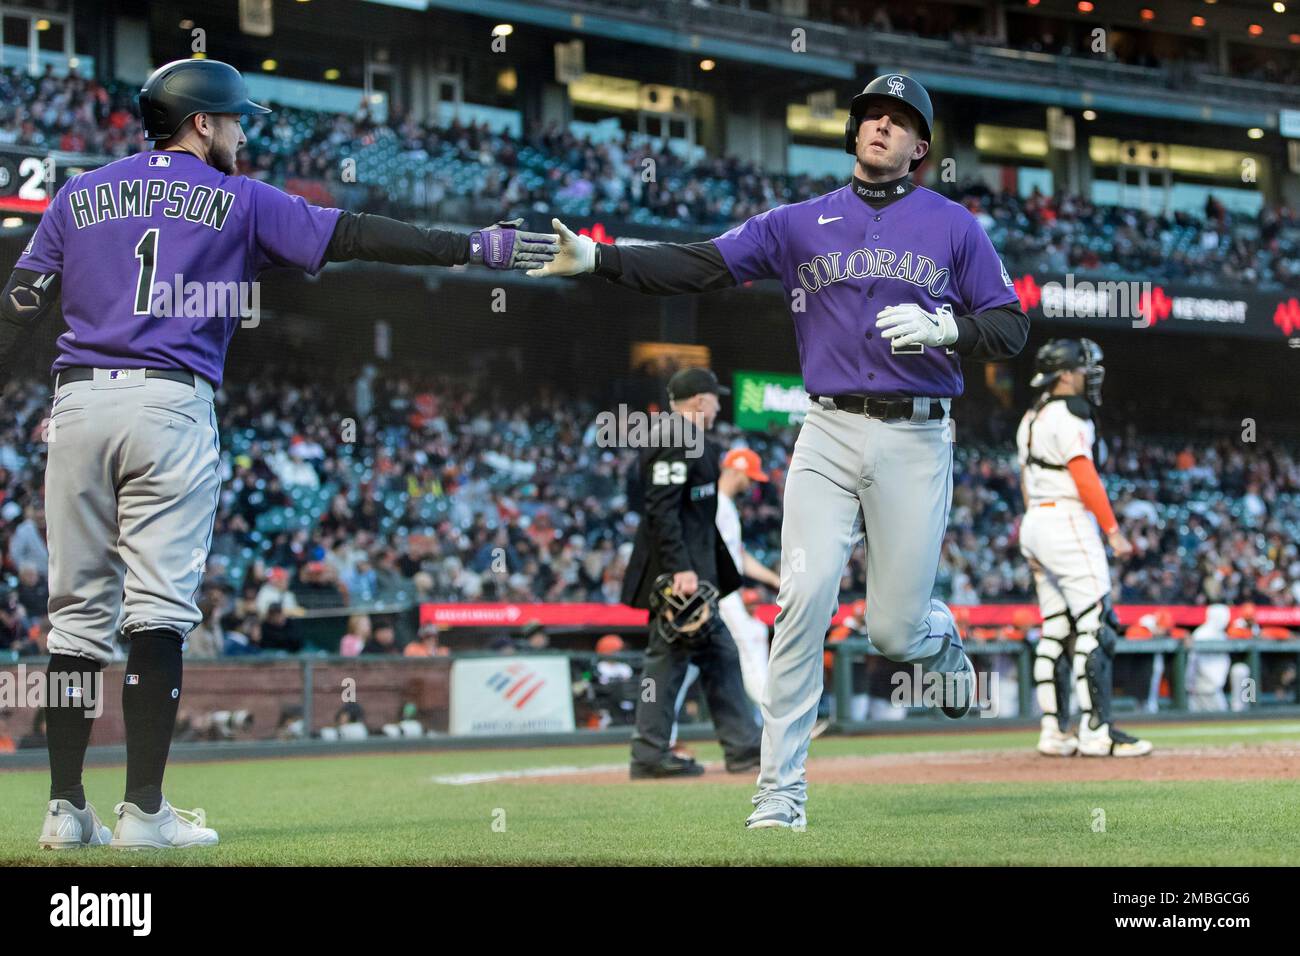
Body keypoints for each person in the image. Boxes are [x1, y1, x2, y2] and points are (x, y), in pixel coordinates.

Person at [0, 58, 557, 851]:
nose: (240, 131)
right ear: (201, 122)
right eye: (232, 119)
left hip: (78, 404)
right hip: (169, 402)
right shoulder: (239, 199)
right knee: (155, 614)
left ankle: (62, 810)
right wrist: (475, 246)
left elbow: (18, 310)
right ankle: (144, 815)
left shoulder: (77, 193)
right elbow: (358, 234)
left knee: (73, 624)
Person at [529, 75, 1027, 828]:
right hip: (825, 429)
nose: (881, 127)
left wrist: (949, 329)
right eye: (871, 116)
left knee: (893, 629)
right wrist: (601, 260)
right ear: (854, 132)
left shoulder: (955, 226)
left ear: (920, 147)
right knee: (802, 600)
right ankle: (780, 791)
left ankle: (937, 642)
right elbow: (700, 262)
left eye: (898, 121)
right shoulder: (799, 222)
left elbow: (1012, 328)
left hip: (918, 434)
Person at [619, 368, 762, 780]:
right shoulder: (671, 436)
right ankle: (650, 754)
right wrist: (680, 568)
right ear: (700, 401)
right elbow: (661, 509)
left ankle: (744, 749)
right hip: (677, 576)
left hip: (694, 574)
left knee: (719, 655)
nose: (719, 405)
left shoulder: (693, 440)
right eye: (715, 398)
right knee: (670, 656)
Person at [1016, 339, 1152, 758]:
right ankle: (1097, 730)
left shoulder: (1031, 416)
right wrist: (1113, 531)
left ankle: (1054, 731)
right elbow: (1083, 474)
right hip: (1066, 519)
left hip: (1036, 519)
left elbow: (1025, 480)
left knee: (1056, 628)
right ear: (1064, 374)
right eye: (1082, 368)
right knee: (1097, 624)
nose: (1089, 375)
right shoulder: (1070, 413)